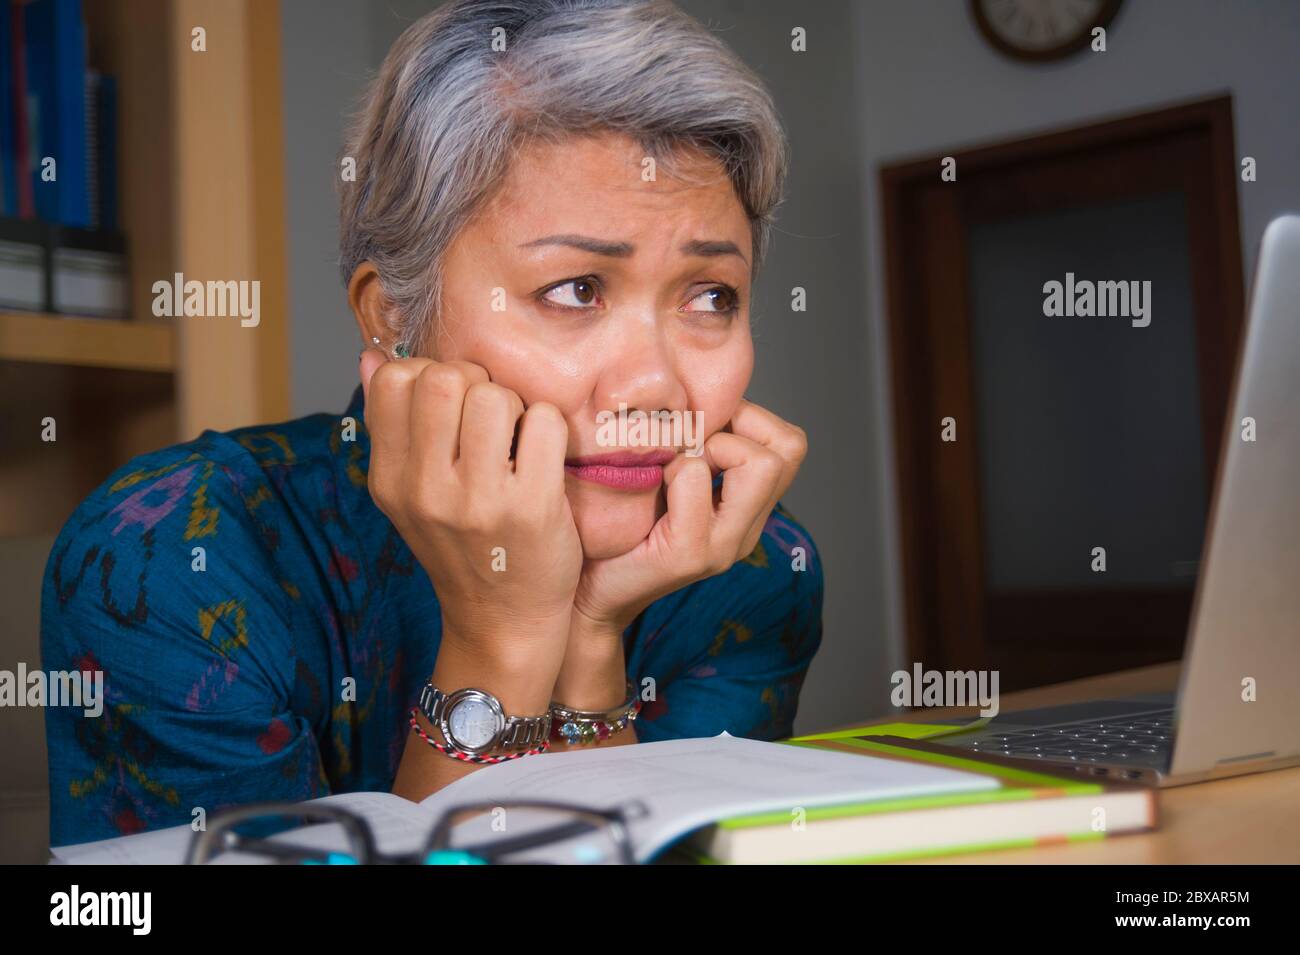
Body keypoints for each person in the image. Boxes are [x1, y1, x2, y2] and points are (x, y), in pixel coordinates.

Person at [42, 0, 822, 847]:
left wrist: (590, 641)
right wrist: (506, 638)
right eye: (576, 290)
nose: (656, 385)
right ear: (392, 315)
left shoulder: (748, 570)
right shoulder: (171, 560)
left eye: (711, 297)